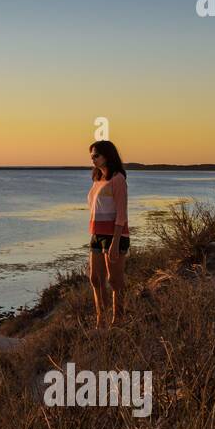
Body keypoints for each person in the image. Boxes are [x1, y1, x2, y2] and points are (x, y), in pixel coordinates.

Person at [87, 140, 129, 326]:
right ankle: (100, 319)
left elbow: (122, 213)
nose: (93, 159)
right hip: (96, 233)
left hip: (114, 235)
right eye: (91, 157)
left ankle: (117, 320)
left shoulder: (118, 179)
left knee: (114, 281)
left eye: (96, 155)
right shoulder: (98, 180)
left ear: (107, 155)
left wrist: (115, 242)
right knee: (95, 278)